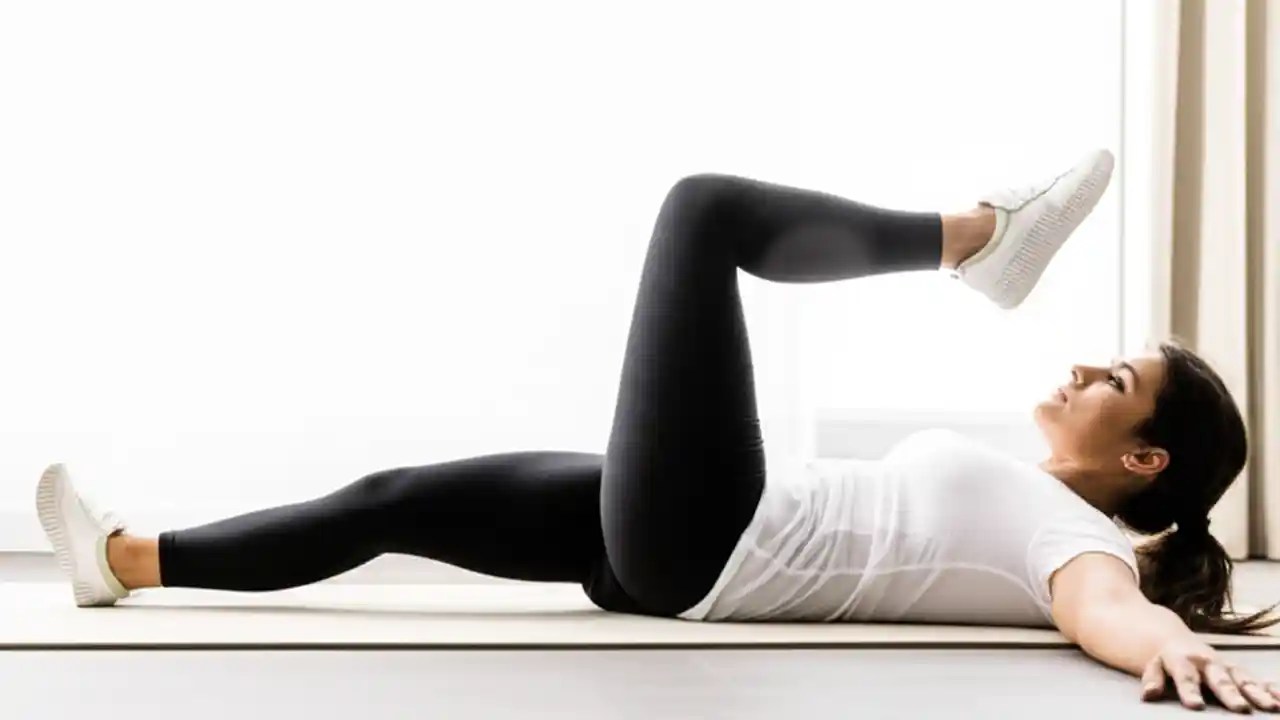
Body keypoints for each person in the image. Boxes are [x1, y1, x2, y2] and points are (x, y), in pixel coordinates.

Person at [36, 149, 1280, 712]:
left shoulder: (1078, 547)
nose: (1081, 364)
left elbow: (1109, 613)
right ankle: (132, 559)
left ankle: (973, 238)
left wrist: (1170, 651)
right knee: (399, 494)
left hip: (712, 537)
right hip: (679, 548)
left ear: (1144, 460)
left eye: (1114, 373)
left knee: (705, 212)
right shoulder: (1042, 508)